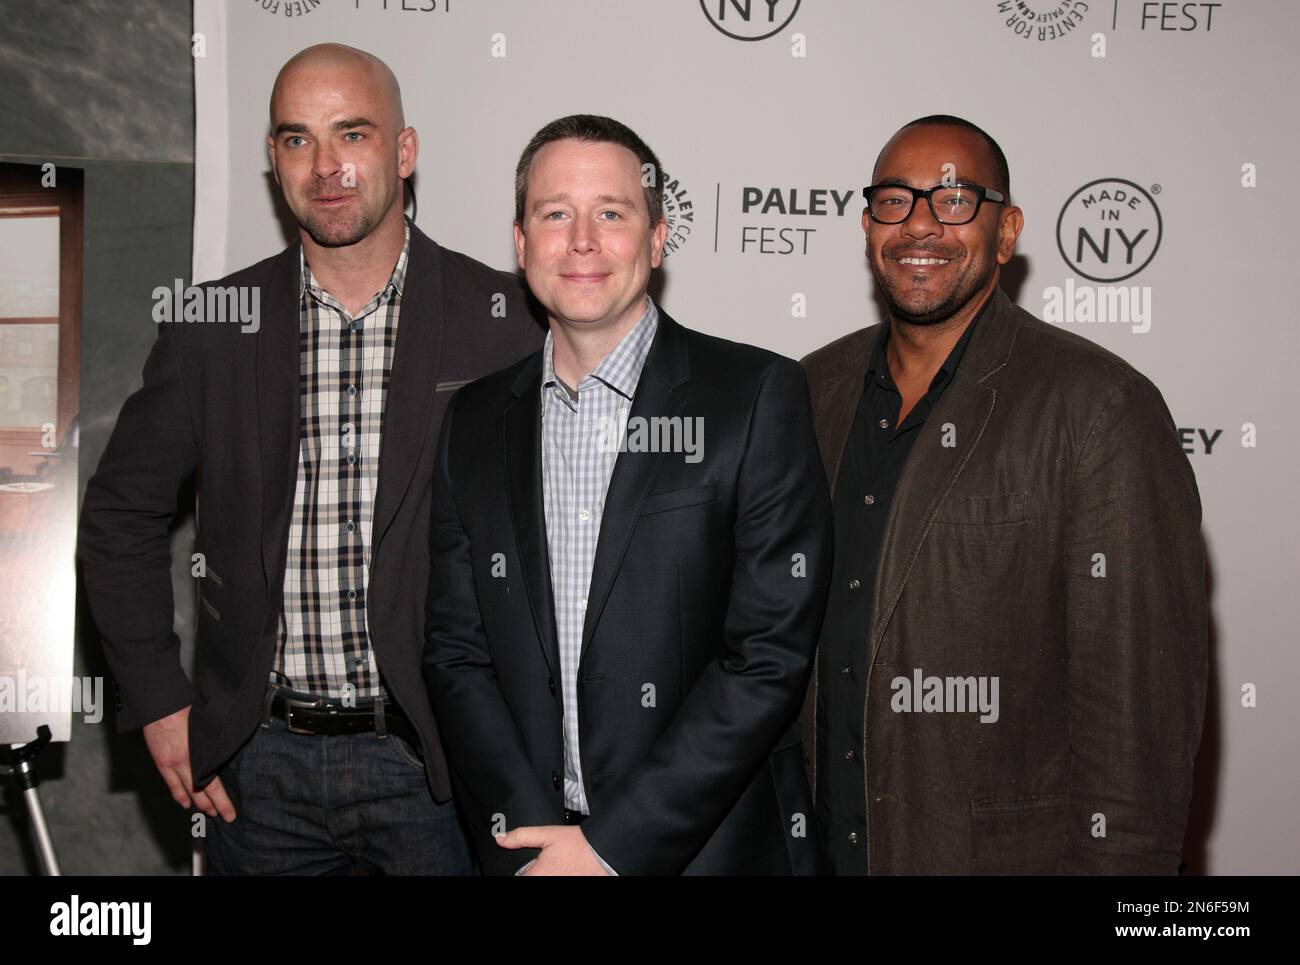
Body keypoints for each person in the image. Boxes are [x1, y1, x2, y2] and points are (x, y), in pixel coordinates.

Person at [76, 43, 543, 874]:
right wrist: (156, 699)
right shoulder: (213, 325)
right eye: (297, 140)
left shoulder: (504, 323)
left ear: (403, 152)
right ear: (272, 159)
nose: (326, 167)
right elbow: (119, 514)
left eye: (352, 134)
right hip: (260, 771)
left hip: (440, 769)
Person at [422, 114, 831, 875]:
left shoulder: (753, 396)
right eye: (555, 214)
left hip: (709, 853)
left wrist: (610, 848)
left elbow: (766, 656)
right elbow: (456, 652)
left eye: (612, 213)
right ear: (520, 243)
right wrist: (538, 840)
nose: (582, 240)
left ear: (656, 238)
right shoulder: (473, 420)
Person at [799, 114, 1208, 874]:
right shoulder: (808, 391)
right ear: (867, 225)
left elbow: (1136, 726)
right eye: (894, 200)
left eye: (954, 200)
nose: (920, 224)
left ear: (1006, 229)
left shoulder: (1099, 409)